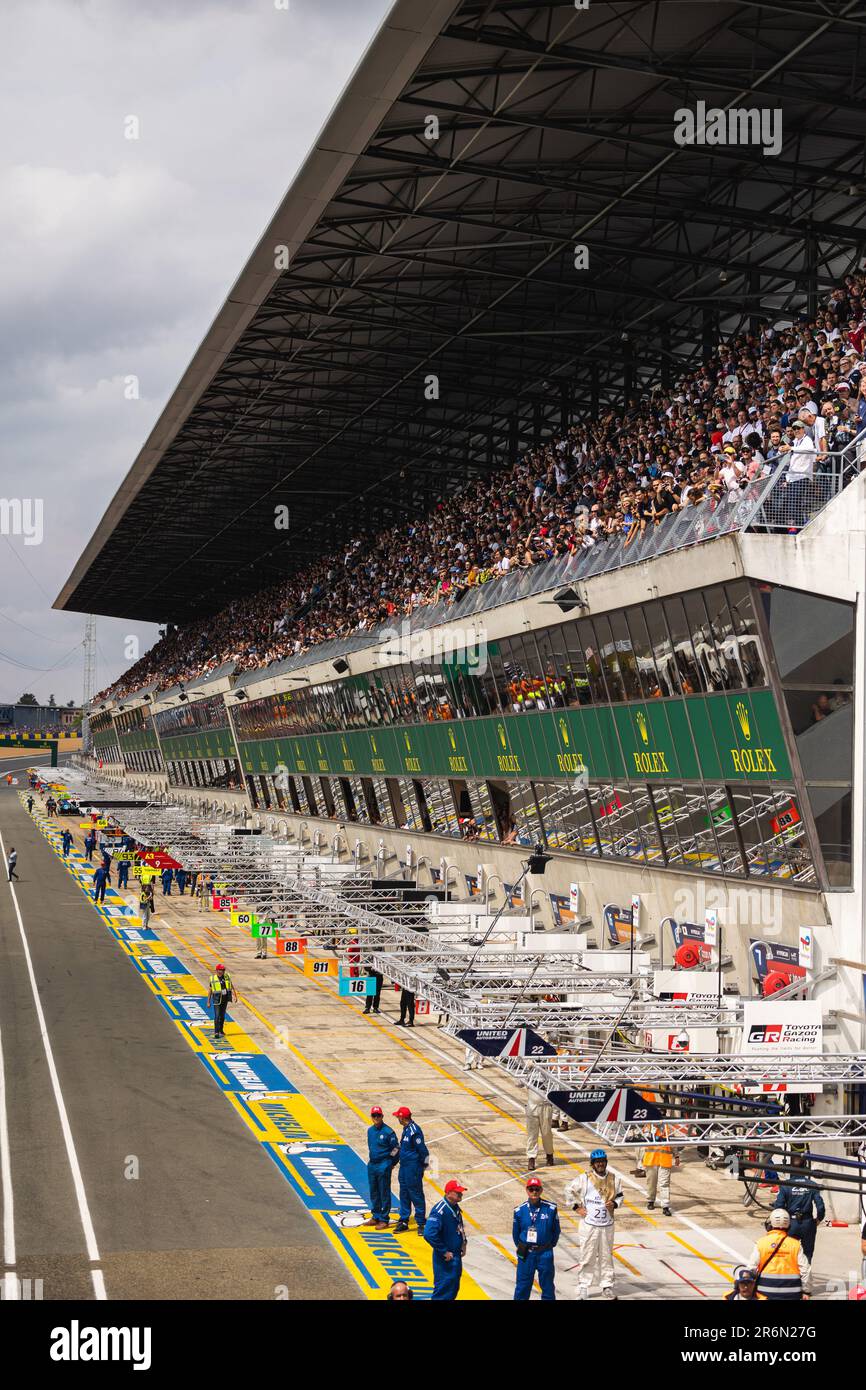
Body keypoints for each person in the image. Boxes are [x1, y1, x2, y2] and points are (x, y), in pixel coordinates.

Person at [565, 1149, 624, 1300]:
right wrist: (577, 1208)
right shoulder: (585, 1178)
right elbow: (568, 1190)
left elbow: (620, 1196)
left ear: (606, 1162)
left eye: (603, 1161)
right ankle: (584, 1286)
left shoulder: (614, 1179)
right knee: (587, 1255)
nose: (600, 1164)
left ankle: (607, 1286)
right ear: (593, 1164)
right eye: (597, 1162)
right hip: (589, 1225)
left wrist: (615, 1205)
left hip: (607, 1224)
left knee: (606, 1257)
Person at [746, 1209, 811, 1300]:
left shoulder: (761, 1243)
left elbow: (751, 1268)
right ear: (788, 1226)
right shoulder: (795, 1244)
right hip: (792, 1293)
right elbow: (805, 1269)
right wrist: (806, 1291)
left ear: (769, 1225)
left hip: (765, 1293)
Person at [513, 1176, 560, 1301]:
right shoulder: (519, 1210)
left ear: (541, 1190)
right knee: (522, 1286)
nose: (534, 1192)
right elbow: (515, 1234)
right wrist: (523, 1246)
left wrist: (548, 1246)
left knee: (548, 1286)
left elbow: (556, 1231)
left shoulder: (551, 1208)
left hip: (545, 1252)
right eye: (531, 1189)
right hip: (526, 1253)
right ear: (527, 1190)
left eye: (537, 1189)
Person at [772, 1156, 826, 1261]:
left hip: (790, 1223)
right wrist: (818, 1219)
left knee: (788, 1253)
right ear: (805, 1167)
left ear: (791, 1167)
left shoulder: (785, 1185)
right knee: (807, 1255)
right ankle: (805, 1275)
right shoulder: (812, 1185)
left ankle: (791, 1275)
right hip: (807, 1223)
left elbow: (778, 1206)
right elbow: (820, 1206)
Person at [424, 1180, 467, 1301]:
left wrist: (463, 1243)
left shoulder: (455, 1208)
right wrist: (443, 1251)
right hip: (445, 1258)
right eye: (457, 1192)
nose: (461, 1194)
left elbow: (458, 1226)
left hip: (455, 1255)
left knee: (453, 1288)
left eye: (461, 1192)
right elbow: (429, 1234)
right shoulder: (440, 1210)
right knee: (443, 1289)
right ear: (448, 1193)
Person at [392, 1106, 429, 1233]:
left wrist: (422, 1167)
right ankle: (403, 1220)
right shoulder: (406, 1129)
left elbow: (423, 1151)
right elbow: (401, 1147)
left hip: (413, 1168)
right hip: (404, 1167)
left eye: (398, 1116)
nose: (397, 1118)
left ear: (402, 1117)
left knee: (416, 1194)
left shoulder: (414, 1130)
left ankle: (421, 1223)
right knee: (404, 1193)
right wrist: (392, 1157)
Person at [364, 1105, 399, 1230]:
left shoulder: (388, 1132)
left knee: (384, 1192)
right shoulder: (370, 1131)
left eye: (378, 1115)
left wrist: (391, 1162)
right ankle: (376, 1216)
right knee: (374, 1191)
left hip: (384, 1164)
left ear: (382, 1116)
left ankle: (384, 1219)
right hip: (372, 1164)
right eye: (374, 1115)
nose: (376, 1118)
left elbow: (396, 1149)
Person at [643, 1130, 679, 1216]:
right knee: (651, 1183)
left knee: (664, 1184)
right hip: (651, 1161)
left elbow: (672, 1143)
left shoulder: (667, 1128)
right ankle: (651, 1201)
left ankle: (665, 1206)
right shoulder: (648, 1126)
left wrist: (676, 1155)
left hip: (664, 1161)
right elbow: (640, 1143)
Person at [525, 1090, 555, 1172]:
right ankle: (531, 1158)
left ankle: (549, 1154)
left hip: (545, 1106)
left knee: (546, 1134)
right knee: (531, 1135)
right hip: (532, 1106)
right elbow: (519, 1083)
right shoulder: (530, 1076)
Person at [207, 962, 235, 1040]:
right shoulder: (213, 979)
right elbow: (210, 990)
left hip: (225, 999)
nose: (222, 971)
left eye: (223, 970)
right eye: (220, 970)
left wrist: (235, 994)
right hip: (217, 999)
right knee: (217, 1015)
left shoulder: (226, 977)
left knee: (222, 1016)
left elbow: (231, 985)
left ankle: (221, 1030)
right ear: (217, 970)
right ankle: (216, 1032)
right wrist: (208, 1001)